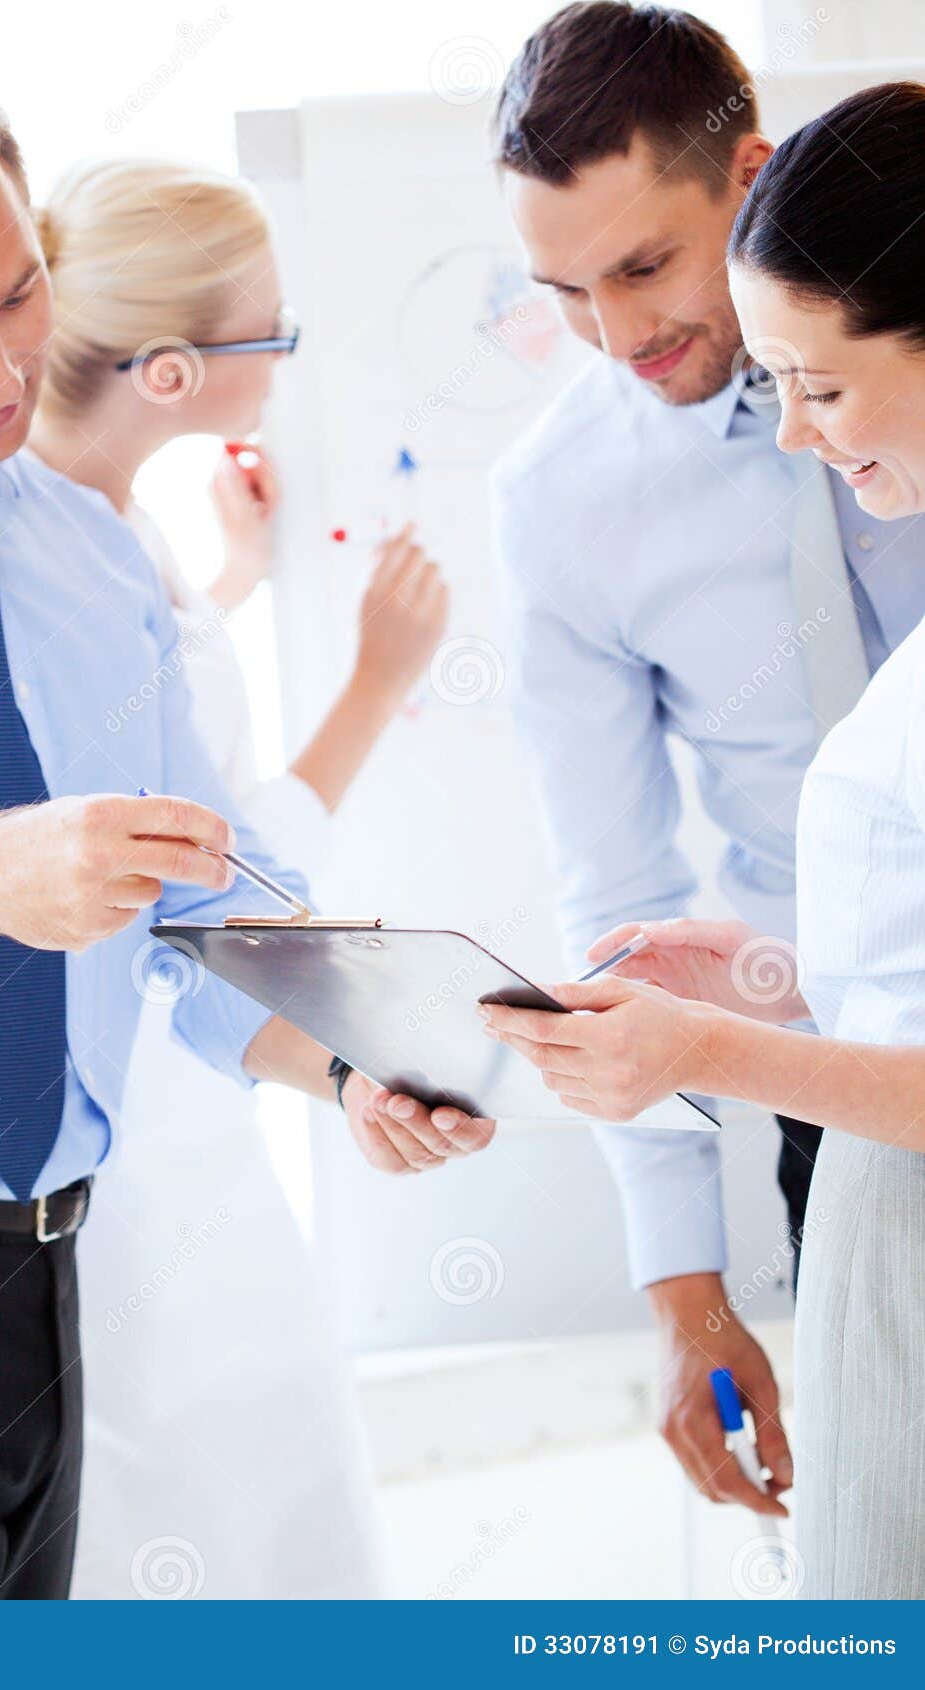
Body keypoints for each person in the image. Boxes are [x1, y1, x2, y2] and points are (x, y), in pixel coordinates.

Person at [0, 65, 495, 1601]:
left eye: (17, 299)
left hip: (49, 1280)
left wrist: (349, 1064)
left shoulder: (91, 553)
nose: (0, 371)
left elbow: (186, 934)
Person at [481, 78, 925, 1600]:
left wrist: (709, 1041)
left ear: (744, 181)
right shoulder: (562, 500)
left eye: (643, 268)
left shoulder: (875, 359)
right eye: (560, 293)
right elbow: (621, 877)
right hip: (846, 1092)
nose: (611, 334)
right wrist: (754, 984)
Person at [29, 158, 448, 1598]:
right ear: (166, 370)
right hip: (142, 1128)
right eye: (271, 336)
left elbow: (144, 750)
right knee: (222, 1503)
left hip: (173, 1101)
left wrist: (233, 581)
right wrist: (375, 688)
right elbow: (215, 870)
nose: (285, 362)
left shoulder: (95, 520)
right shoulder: (67, 554)